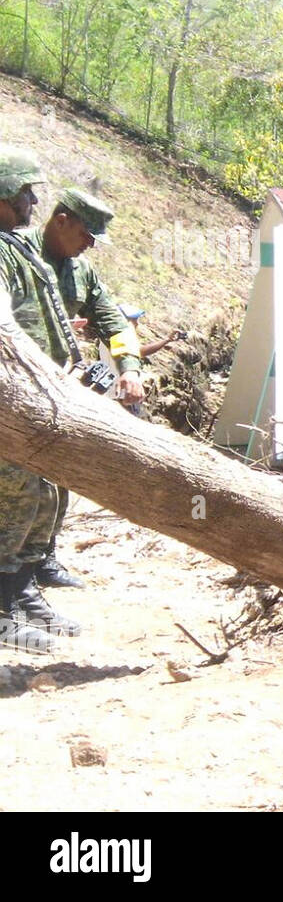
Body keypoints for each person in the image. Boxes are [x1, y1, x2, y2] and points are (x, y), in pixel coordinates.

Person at [14, 188, 145, 595]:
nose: (90, 245)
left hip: (62, 391)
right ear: (61, 220)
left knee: (58, 474)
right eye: (87, 234)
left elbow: (116, 324)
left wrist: (129, 368)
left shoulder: (81, 271)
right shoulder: (15, 255)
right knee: (20, 484)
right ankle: (12, 577)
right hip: (18, 389)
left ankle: (42, 556)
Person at [0, 145, 74, 651]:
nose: (32, 201)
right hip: (15, 399)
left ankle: (19, 593)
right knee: (14, 501)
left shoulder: (18, 244)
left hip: (43, 397)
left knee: (42, 498)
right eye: (25, 191)